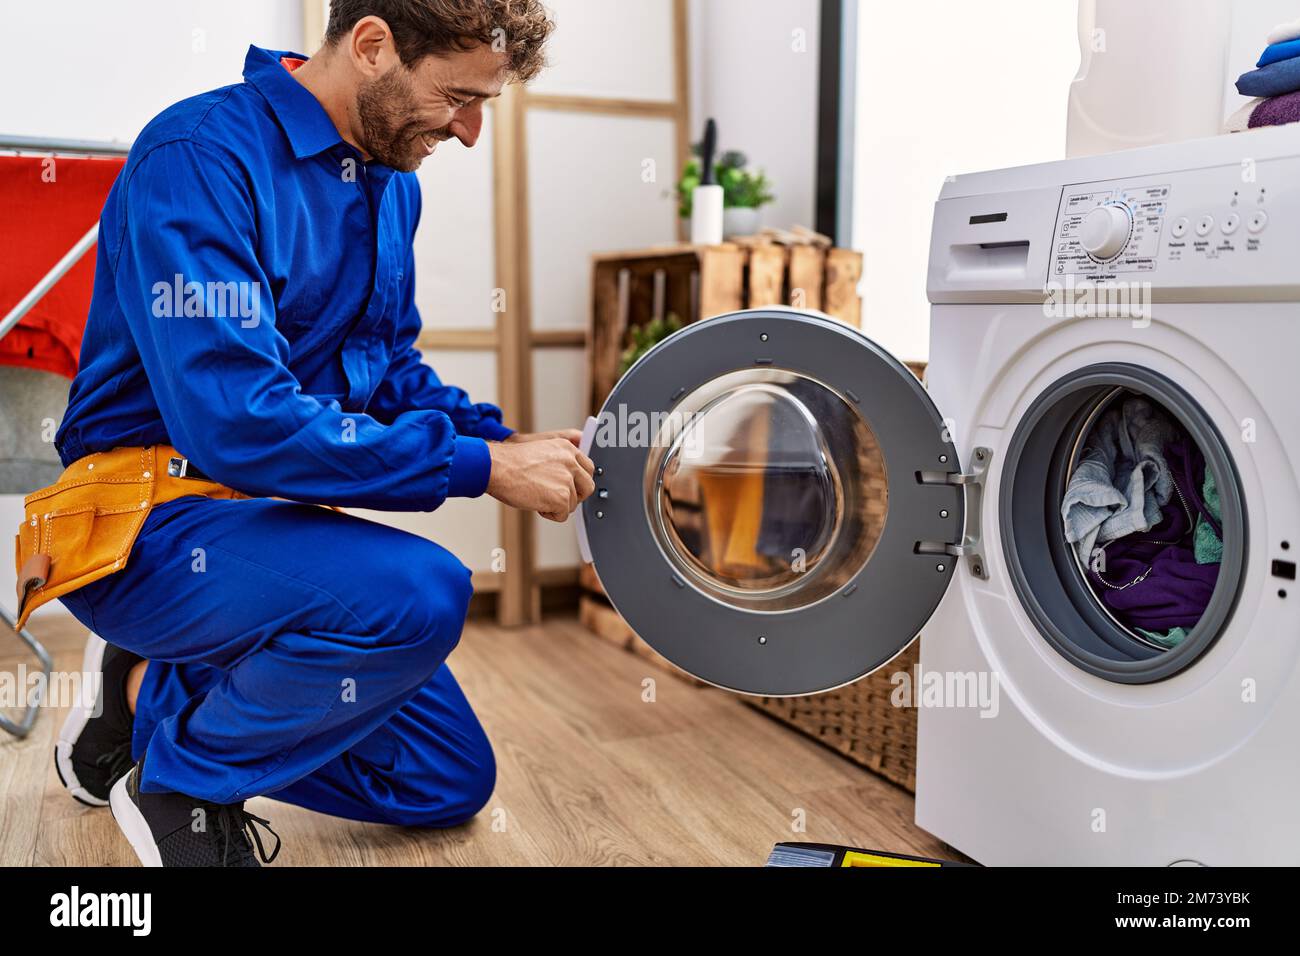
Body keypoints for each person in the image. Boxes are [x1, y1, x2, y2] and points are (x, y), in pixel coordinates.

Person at [36, 0, 592, 867]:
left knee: (446, 779)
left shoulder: (388, 181)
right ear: (372, 45)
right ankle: (182, 780)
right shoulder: (199, 156)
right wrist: (480, 469)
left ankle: (143, 692)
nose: (472, 132)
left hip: (259, 527)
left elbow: (388, 376)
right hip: (147, 526)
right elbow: (238, 422)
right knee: (424, 593)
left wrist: (514, 442)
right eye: (458, 97)